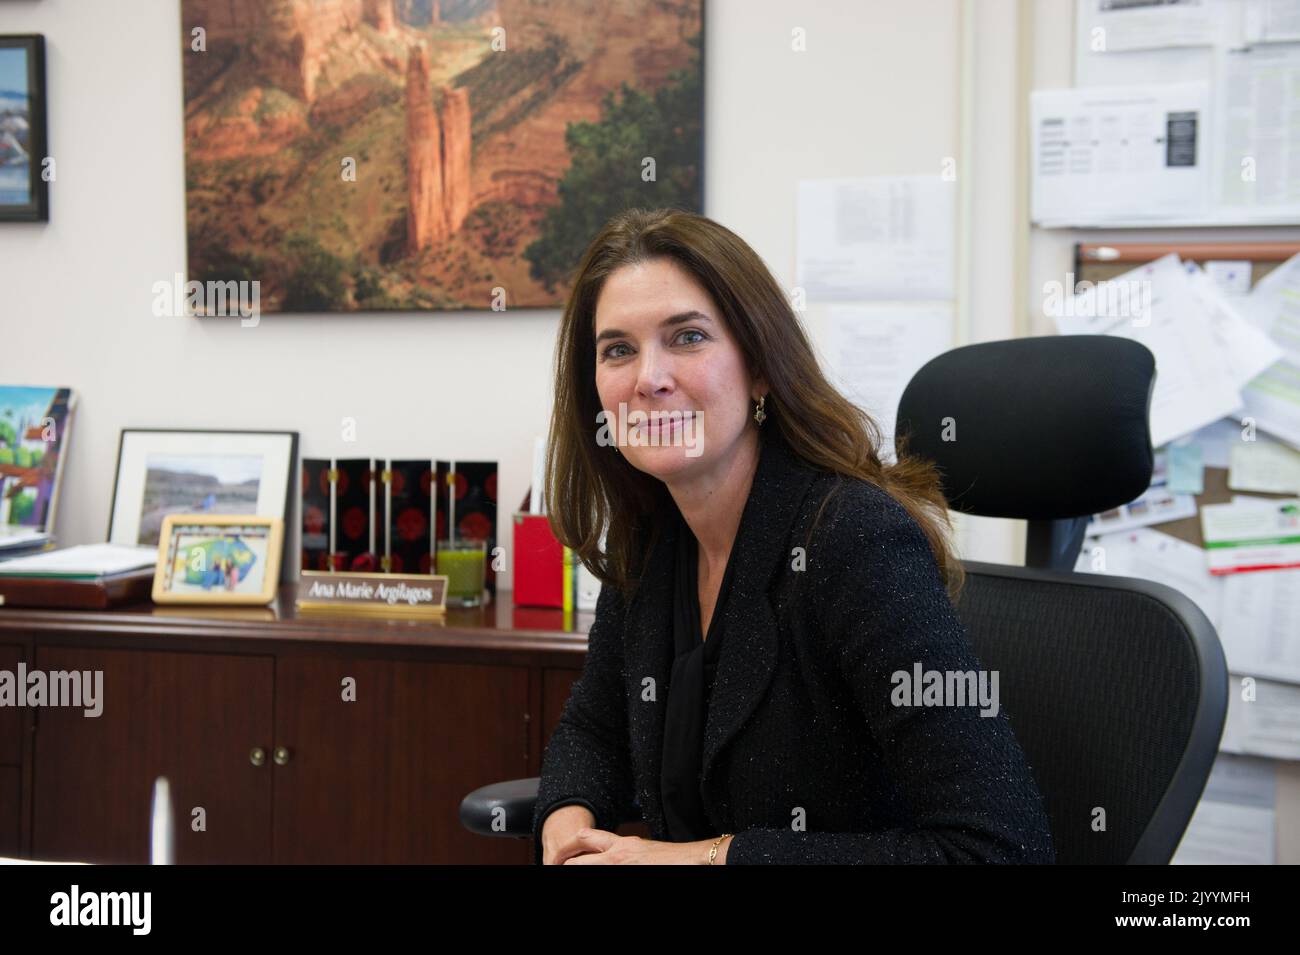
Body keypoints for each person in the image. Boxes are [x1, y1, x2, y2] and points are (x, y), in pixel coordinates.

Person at [533, 207, 1054, 865]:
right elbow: (595, 730)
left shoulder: (854, 541)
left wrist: (698, 858)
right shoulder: (656, 541)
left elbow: (1002, 850)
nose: (648, 378)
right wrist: (566, 828)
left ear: (759, 367)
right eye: (618, 349)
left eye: (687, 337)